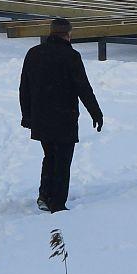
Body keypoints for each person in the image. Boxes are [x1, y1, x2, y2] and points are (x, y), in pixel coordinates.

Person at [19, 17, 103, 212]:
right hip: (64, 117)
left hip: (41, 117)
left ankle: (44, 196)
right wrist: (96, 112)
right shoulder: (71, 56)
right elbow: (83, 88)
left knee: (49, 156)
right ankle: (57, 203)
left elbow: (24, 87)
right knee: (62, 161)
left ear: (50, 32)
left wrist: (27, 115)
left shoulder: (33, 53)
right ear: (68, 34)